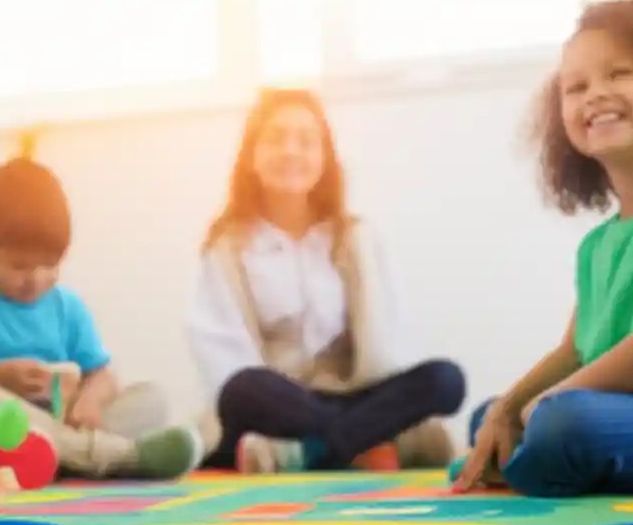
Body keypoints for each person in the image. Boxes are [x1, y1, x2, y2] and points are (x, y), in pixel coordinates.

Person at [454, 0, 633, 497]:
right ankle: (519, 460)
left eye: (619, 73)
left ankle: (522, 467)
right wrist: (510, 409)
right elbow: (575, 350)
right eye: (577, 86)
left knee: (564, 422)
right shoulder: (598, 245)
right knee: (490, 415)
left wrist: (549, 404)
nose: (595, 94)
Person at [189, 87, 465, 474]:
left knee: (445, 380)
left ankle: (313, 450)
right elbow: (225, 359)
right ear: (251, 156)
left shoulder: (354, 237)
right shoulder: (228, 247)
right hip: (274, 403)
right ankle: (365, 442)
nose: (290, 151)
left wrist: (369, 400)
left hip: (353, 393)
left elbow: (385, 345)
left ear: (324, 159)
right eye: (275, 139)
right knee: (242, 391)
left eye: (306, 141)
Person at [0, 156, 202, 479]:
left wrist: (90, 400)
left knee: (153, 399)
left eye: (51, 265)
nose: (36, 279)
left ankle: (65, 455)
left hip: (62, 422)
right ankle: (116, 456)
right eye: (20, 266)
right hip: (0, 431)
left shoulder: (67, 307)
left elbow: (101, 375)